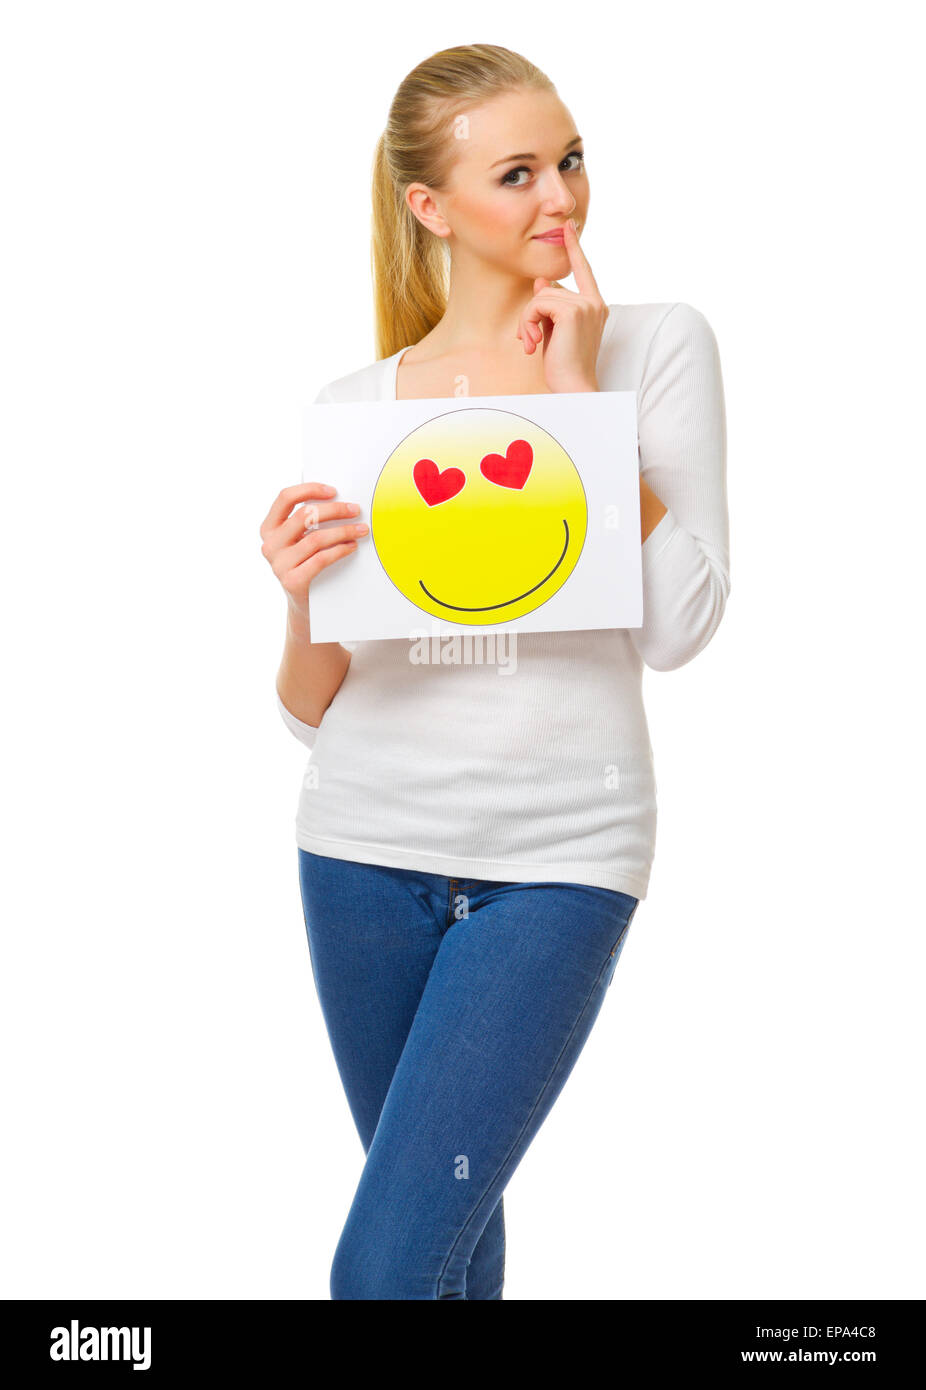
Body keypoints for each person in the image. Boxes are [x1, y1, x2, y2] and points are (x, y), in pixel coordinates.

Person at [260, 43, 730, 1300]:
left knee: (382, 1269)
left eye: (569, 159)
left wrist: (579, 406)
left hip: (561, 864)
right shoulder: (361, 403)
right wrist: (303, 594)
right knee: (448, 1259)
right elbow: (311, 707)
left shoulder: (652, 348)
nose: (558, 197)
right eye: (515, 172)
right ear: (430, 206)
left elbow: (681, 624)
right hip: (360, 850)